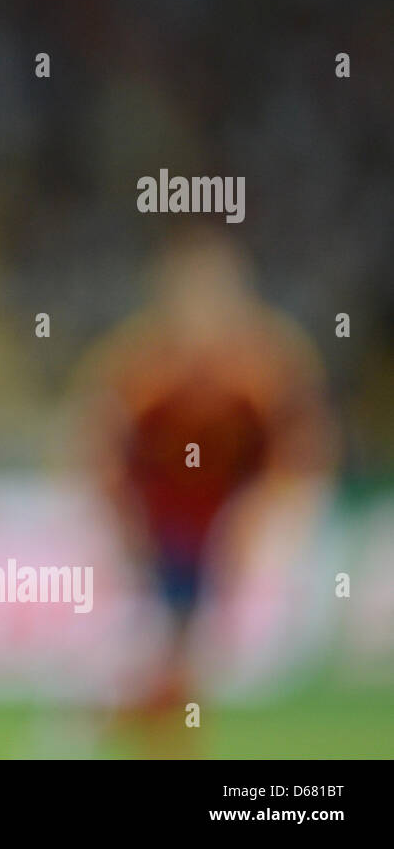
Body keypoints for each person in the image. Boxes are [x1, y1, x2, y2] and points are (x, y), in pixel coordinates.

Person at [70, 227, 336, 753]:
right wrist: (120, 521)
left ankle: (104, 721)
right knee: (175, 656)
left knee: (187, 661)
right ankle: (105, 722)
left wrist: (273, 513)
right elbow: (99, 441)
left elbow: (300, 447)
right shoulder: (144, 366)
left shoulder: (265, 366)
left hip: (223, 532)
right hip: (161, 531)